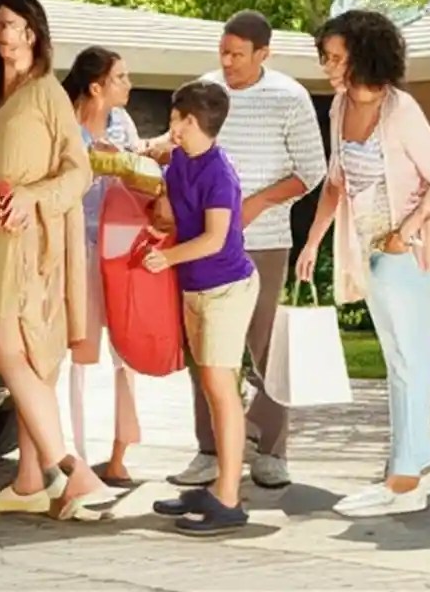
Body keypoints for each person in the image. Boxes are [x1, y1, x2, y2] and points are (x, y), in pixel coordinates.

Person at [145, 11, 327, 489]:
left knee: (264, 348)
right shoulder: (206, 90)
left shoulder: (289, 97)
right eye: (223, 52)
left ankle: (270, 450)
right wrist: (144, 150)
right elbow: (175, 139)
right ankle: (210, 449)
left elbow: (313, 171)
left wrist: (257, 203)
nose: (227, 62)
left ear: (264, 53)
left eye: (238, 55)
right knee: (203, 352)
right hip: (200, 243)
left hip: (263, 241)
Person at [0, 0, 109, 521]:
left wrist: (31, 197)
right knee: (25, 357)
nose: (1, 33)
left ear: (32, 34)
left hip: (32, 240)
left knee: (10, 351)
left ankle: (70, 469)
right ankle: (28, 483)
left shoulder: (48, 94)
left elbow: (79, 170)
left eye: (11, 24)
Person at [296, 9, 430, 517]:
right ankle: (421, 465)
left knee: (408, 363)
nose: (327, 66)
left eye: (335, 57)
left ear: (365, 55)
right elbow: (336, 181)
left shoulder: (399, 110)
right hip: (368, 250)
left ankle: (405, 481)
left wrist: (408, 230)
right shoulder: (340, 106)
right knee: (400, 361)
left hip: (405, 252)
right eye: (325, 56)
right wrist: (312, 242)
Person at [146, 80, 259, 535]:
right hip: (196, 287)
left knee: (220, 386)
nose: (170, 126)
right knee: (210, 385)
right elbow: (172, 209)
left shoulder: (219, 174)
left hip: (225, 288)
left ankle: (229, 498)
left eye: (175, 119)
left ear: (190, 121)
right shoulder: (179, 161)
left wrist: (167, 257)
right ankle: (217, 486)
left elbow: (215, 238)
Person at [61, 46, 143, 486]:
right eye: (120, 77)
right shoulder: (65, 126)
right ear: (96, 87)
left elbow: (140, 174)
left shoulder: (122, 124)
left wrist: (125, 163)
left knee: (124, 351)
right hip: (75, 247)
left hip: (120, 246)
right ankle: (75, 454)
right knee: (78, 351)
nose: (128, 84)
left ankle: (118, 454)